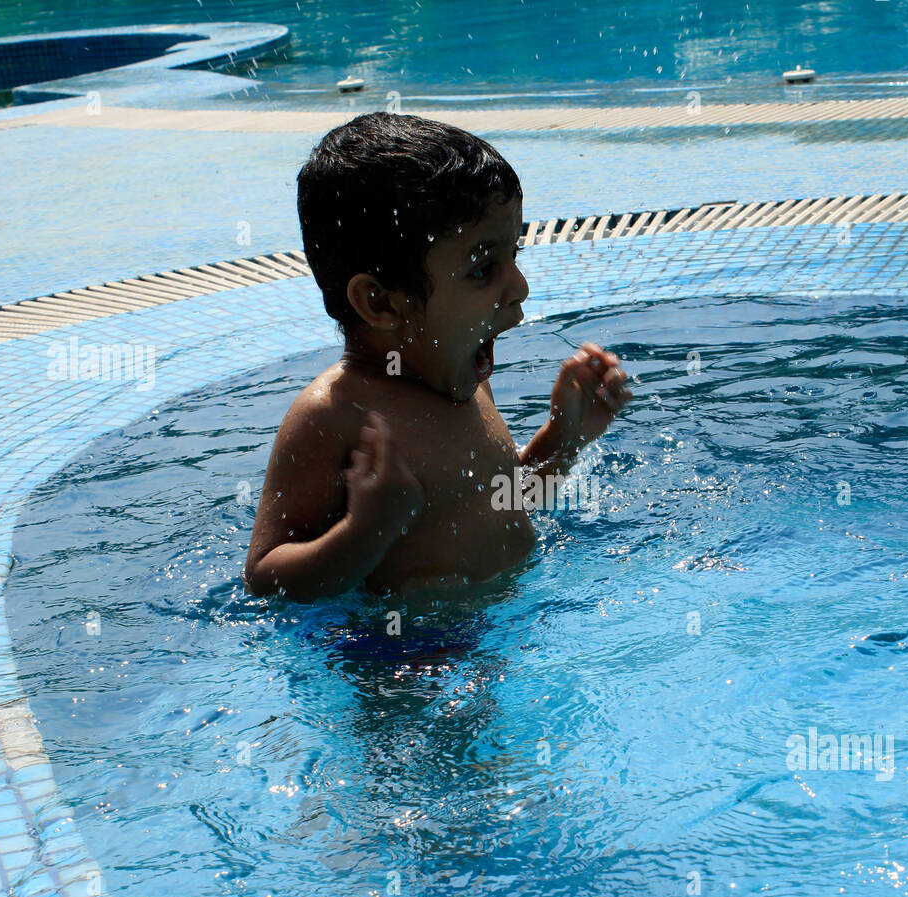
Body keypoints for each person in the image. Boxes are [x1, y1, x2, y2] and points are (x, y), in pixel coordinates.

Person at [245, 112, 633, 600]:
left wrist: (564, 438)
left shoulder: (466, 378)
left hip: (509, 626)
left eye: (514, 255)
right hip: (401, 655)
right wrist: (364, 532)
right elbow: (265, 578)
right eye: (482, 269)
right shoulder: (333, 416)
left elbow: (511, 499)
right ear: (382, 302)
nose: (520, 287)